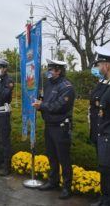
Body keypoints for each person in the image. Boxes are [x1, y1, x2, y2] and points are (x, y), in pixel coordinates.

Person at [33, 59, 75, 200]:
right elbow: (45, 100)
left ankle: (67, 187)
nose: (48, 72)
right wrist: (39, 102)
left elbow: (58, 106)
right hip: (49, 126)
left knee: (64, 158)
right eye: (48, 69)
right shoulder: (49, 84)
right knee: (52, 156)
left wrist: (42, 106)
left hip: (61, 127)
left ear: (59, 70)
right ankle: (53, 181)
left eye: (51, 69)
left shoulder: (67, 87)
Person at [91, 46, 110, 206]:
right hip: (109, 146)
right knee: (109, 186)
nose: (97, 67)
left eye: (99, 64)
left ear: (106, 66)